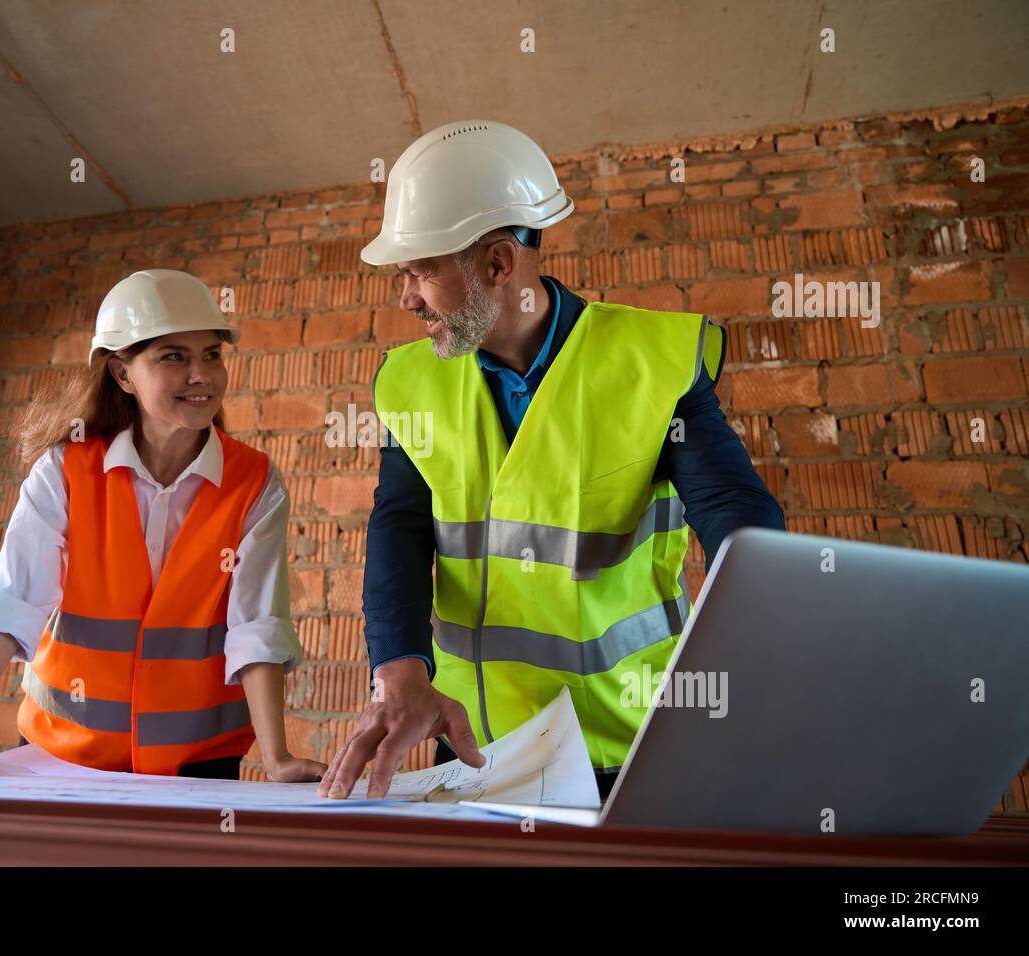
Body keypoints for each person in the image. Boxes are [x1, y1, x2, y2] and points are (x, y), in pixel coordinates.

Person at [318, 120, 785, 801]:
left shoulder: (652, 362)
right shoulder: (409, 382)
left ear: (498, 265)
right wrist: (399, 672)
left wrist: (766, 636)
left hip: (627, 742)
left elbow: (734, 513)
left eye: (421, 270)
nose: (407, 298)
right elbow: (401, 526)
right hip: (481, 746)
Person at [0, 269, 325, 783]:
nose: (201, 374)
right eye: (173, 357)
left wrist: (276, 759)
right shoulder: (65, 471)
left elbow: (256, 627)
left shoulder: (254, 481)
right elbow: (10, 604)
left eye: (212, 355)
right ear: (122, 375)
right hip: (58, 760)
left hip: (197, 769)